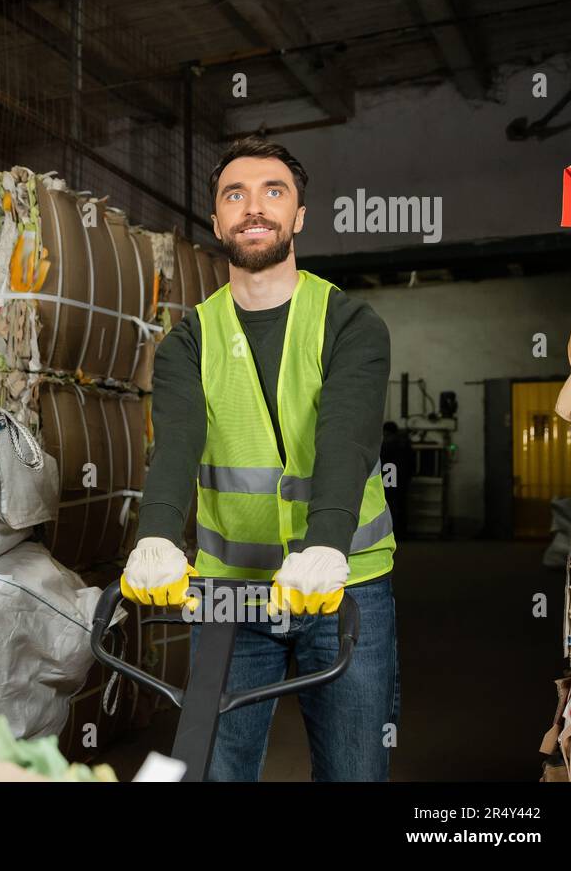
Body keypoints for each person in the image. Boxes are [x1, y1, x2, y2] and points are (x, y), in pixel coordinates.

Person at [123, 136, 400, 781]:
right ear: (217, 220)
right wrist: (158, 536)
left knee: (355, 769)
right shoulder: (187, 341)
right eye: (235, 194)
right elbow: (178, 441)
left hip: (345, 582)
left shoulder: (351, 323)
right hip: (230, 594)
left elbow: (347, 437)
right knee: (213, 768)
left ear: (298, 216)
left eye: (274, 192)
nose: (255, 207)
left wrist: (325, 546)